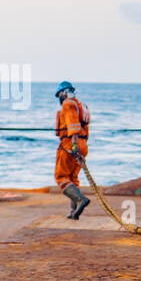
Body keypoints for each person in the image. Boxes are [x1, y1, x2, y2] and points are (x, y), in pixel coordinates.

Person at [54, 80, 91, 220]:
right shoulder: (80, 106)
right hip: (83, 145)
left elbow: (73, 125)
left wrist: (74, 145)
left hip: (70, 144)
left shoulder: (68, 105)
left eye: (59, 95)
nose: (59, 98)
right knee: (72, 179)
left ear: (64, 93)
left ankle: (80, 200)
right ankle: (73, 211)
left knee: (61, 176)